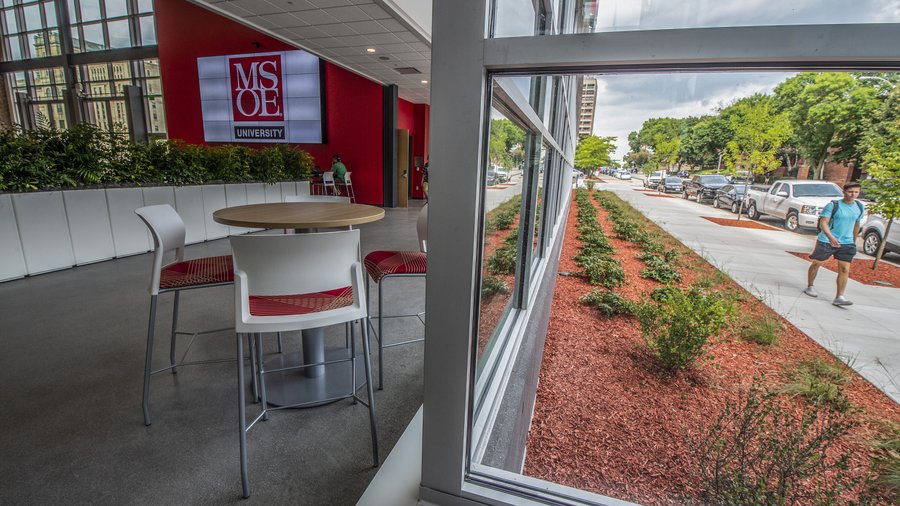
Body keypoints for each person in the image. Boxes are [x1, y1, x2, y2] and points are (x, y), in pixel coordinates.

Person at [803, 181, 865, 306]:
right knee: (817, 263)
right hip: (826, 240)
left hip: (847, 243)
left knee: (844, 269)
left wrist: (854, 240)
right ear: (844, 192)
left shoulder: (859, 206)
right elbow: (824, 223)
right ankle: (810, 286)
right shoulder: (833, 205)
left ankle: (839, 296)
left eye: (856, 192)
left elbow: (857, 224)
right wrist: (830, 237)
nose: (853, 194)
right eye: (850, 192)